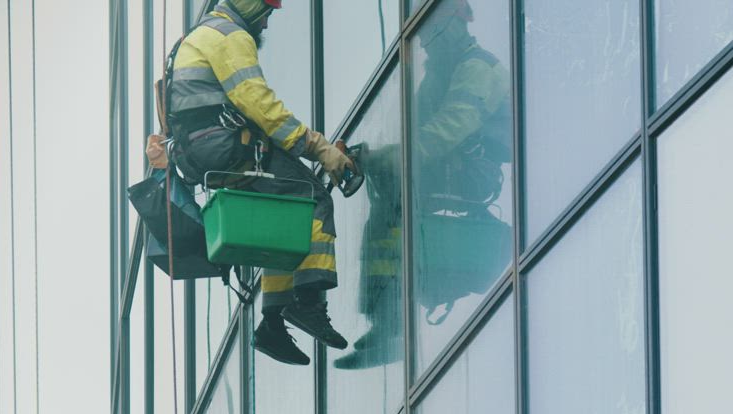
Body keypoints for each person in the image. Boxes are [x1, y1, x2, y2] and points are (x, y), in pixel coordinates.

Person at [166, 0, 356, 366]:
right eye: (266, 12)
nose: (267, 23)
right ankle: (309, 303)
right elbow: (259, 105)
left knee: (281, 220)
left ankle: (271, 323)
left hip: (200, 151)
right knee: (312, 200)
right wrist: (319, 149)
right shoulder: (230, 35)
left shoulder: (198, 35)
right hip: (223, 143)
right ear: (251, 6)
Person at [334, 0, 512, 370]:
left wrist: (388, 158)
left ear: (455, 27)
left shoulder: (478, 69)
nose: (428, 44)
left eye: (432, 35)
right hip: (449, 166)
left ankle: (389, 322)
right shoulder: (439, 73)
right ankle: (385, 318)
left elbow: (445, 132)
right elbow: (416, 135)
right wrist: (375, 157)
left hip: (470, 172)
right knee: (386, 210)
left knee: (392, 196)